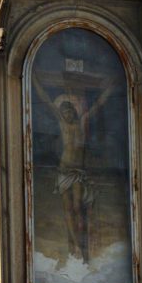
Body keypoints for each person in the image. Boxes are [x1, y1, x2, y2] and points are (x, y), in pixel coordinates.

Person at [33, 76, 114, 262]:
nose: (67, 113)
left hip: (78, 173)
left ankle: (80, 245)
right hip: (64, 171)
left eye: (69, 110)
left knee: (78, 207)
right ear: (61, 114)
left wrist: (110, 88)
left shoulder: (82, 122)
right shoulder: (62, 125)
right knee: (68, 209)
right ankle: (75, 244)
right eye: (64, 111)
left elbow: (99, 104)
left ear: (74, 111)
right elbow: (45, 99)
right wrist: (35, 81)